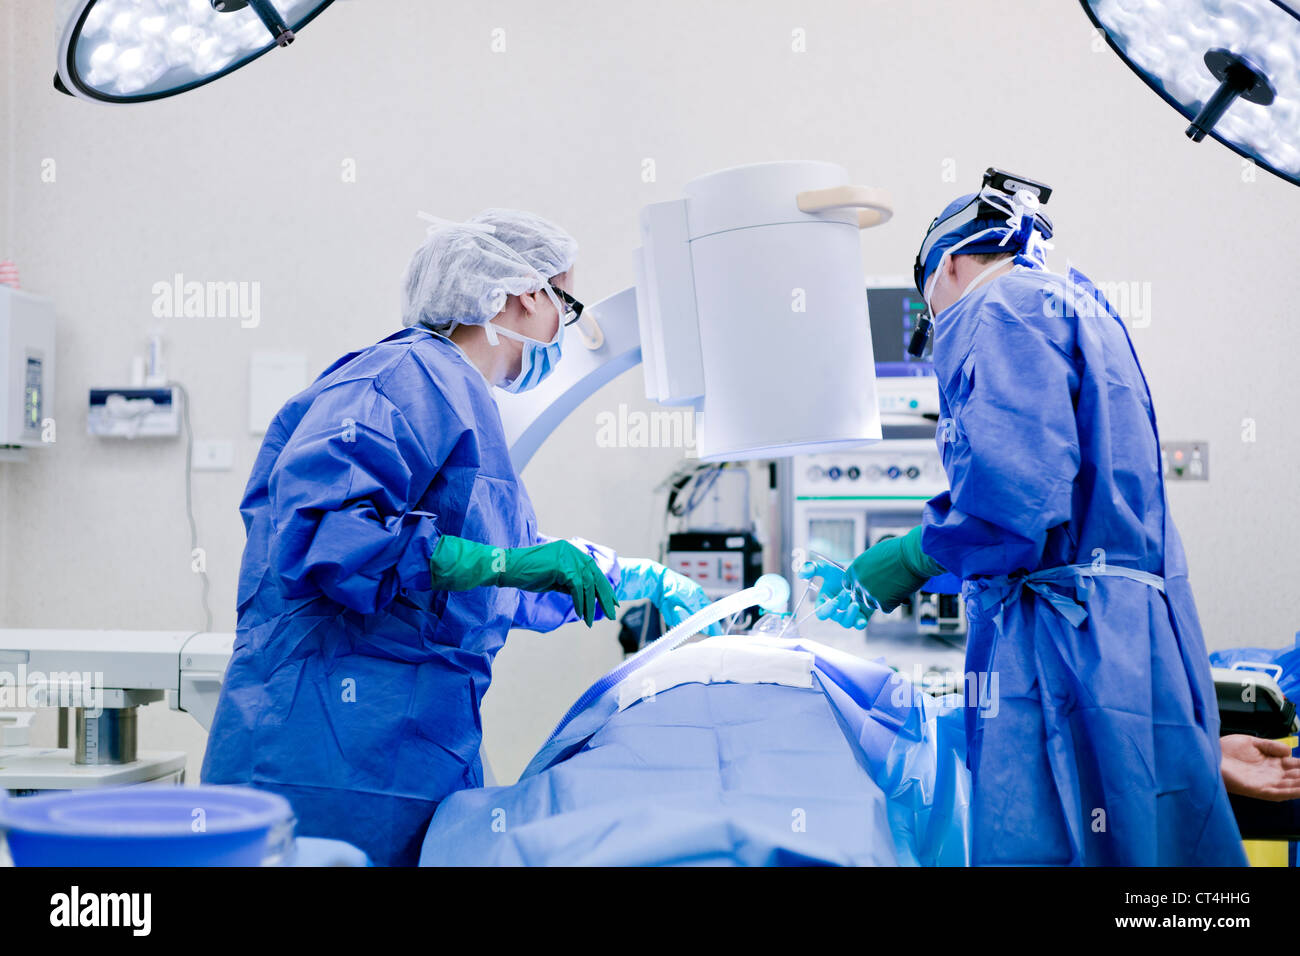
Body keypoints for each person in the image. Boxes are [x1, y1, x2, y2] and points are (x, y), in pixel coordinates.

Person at [201, 209, 712, 866]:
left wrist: (632, 577)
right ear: (529, 293)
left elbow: (492, 574)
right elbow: (335, 537)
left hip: (412, 753)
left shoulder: (466, 409)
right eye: (568, 304)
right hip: (325, 752)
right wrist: (506, 564)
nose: (564, 329)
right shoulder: (402, 377)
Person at [801, 174, 1247, 865]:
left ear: (947, 265)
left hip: (1065, 649)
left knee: (1065, 837)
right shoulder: (1080, 308)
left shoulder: (999, 309)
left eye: (931, 308)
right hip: (1130, 638)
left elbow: (1014, 500)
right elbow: (1055, 509)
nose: (938, 329)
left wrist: (912, 555)